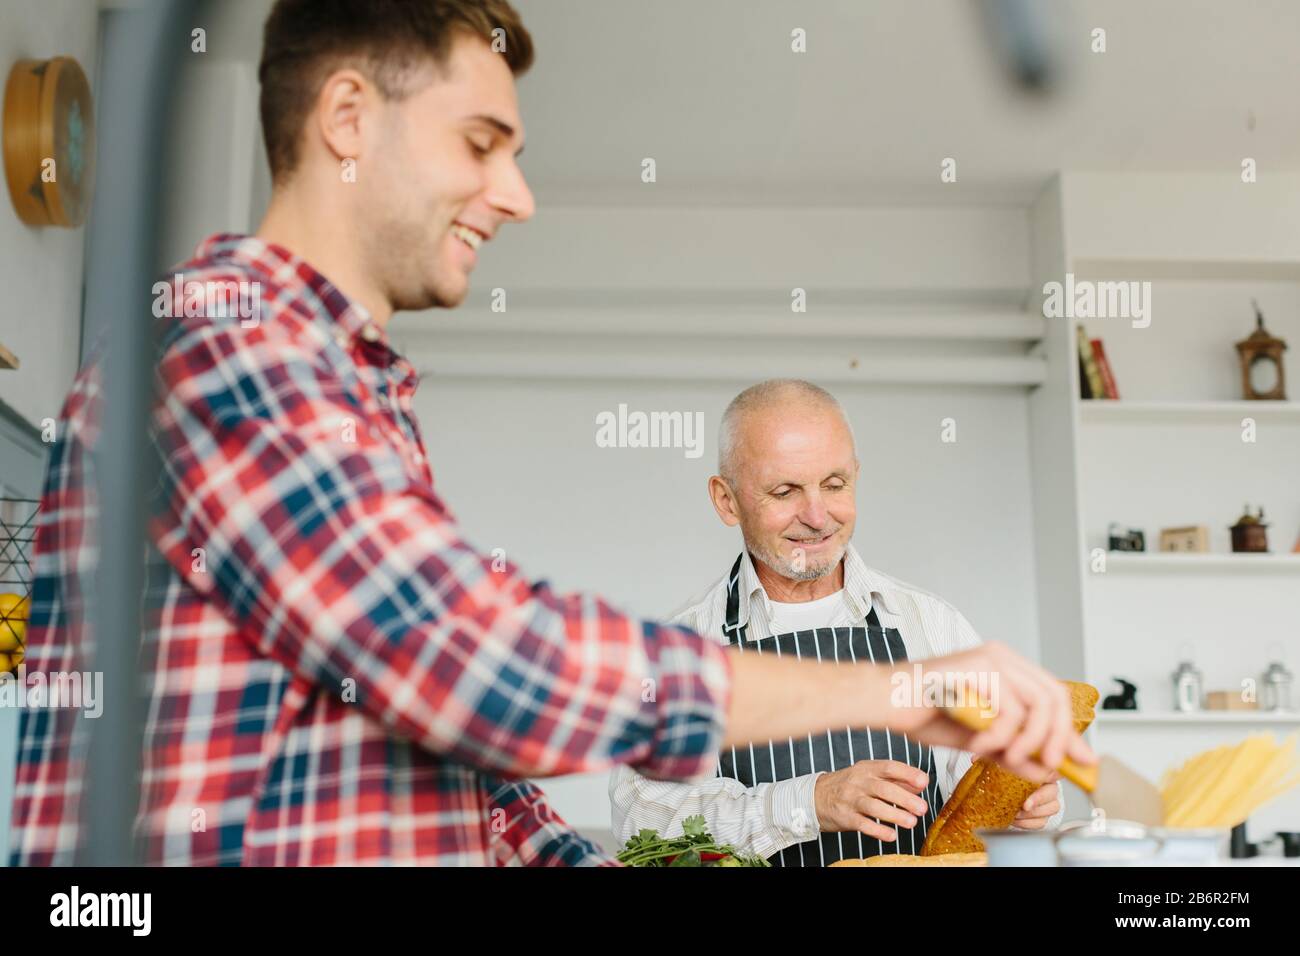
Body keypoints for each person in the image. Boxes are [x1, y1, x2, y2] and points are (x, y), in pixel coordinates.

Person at [9, 0, 1091, 866]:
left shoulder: (349, 389)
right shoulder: (228, 347)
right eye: (482, 143)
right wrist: (907, 692)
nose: (516, 194)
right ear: (347, 120)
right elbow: (476, 659)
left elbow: (461, 758)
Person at [611, 380, 1063, 865]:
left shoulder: (930, 625)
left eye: (834, 485)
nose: (817, 515)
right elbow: (644, 819)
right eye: (784, 491)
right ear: (727, 500)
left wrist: (1025, 810)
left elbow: (986, 801)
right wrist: (812, 801)